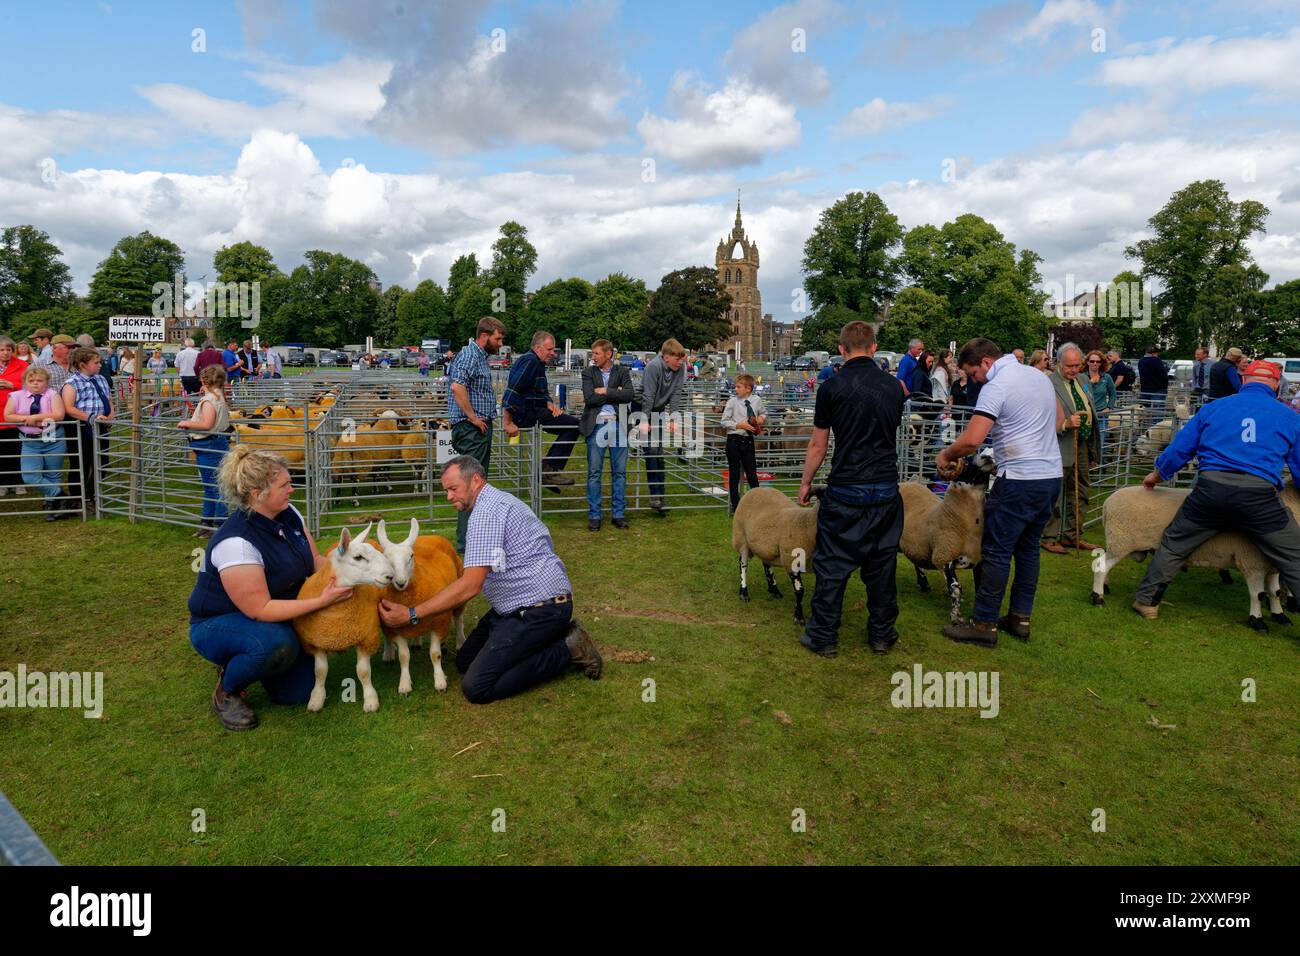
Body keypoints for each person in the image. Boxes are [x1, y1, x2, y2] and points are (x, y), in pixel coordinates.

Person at [378, 455, 604, 703]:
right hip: (514, 604)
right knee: (464, 660)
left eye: (453, 489)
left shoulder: (485, 514)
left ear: (475, 480)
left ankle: (568, 649)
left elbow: (471, 585)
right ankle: (544, 637)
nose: (449, 496)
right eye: (446, 491)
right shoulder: (495, 501)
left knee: (477, 687)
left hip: (539, 608)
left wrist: (412, 613)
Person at [188, 446, 355, 729]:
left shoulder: (288, 513)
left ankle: (257, 662)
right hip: (220, 622)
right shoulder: (237, 543)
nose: (292, 489)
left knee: (298, 692)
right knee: (276, 645)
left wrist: (345, 575)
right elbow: (259, 608)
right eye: (285, 485)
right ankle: (227, 689)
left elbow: (314, 559)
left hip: (276, 615)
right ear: (257, 494)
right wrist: (323, 600)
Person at [1132, 360, 1300, 620]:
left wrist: (1157, 475)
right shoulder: (1289, 417)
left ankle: (1146, 601)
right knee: (1294, 555)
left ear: (1244, 381)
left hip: (1211, 491)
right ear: (1277, 386)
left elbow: (1180, 448)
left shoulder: (1214, 408)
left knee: (1174, 543)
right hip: (1259, 498)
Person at [935, 338, 1064, 647]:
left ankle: (984, 624)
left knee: (996, 550)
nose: (973, 380)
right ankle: (1020, 619)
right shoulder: (1038, 376)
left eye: (972, 373)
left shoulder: (997, 385)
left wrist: (946, 456)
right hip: (1051, 475)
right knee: (1029, 549)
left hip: (1019, 478)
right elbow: (1059, 420)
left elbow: (972, 439)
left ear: (986, 363)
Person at [797, 321, 905, 658]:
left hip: (846, 489)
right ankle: (882, 635)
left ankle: (824, 636)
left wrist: (805, 482)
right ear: (874, 348)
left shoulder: (831, 388)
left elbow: (818, 445)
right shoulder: (895, 388)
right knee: (883, 565)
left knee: (832, 565)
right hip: (886, 487)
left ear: (842, 350)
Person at [446, 316, 506, 552]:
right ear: (485, 335)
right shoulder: (470, 355)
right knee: (470, 485)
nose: (500, 344)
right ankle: (466, 542)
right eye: (498, 338)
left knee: (476, 483)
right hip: (472, 429)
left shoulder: (478, 357)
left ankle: (472, 537)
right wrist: (472, 417)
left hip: (477, 428)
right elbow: (457, 386)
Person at [502, 331, 579, 490]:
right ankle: (547, 471)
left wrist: (549, 403)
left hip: (533, 410)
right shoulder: (531, 362)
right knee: (573, 425)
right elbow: (513, 390)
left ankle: (548, 471)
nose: (553, 353)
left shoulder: (534, 362)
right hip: (526, 414)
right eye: (550, 349)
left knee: (571, 425)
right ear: (538, 348)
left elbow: (539, 391)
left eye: (553, 350)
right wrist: (507, 422)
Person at [1042, 343, 1100, 553]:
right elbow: (1042, 417)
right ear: (1058, 363)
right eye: (1069, 366)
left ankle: (1072, 535)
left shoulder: (1083, 381)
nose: (1074, 370)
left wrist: (1092, 448)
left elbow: (1090, 410)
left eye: (1077, 365)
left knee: (1081, 491)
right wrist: (1065, 424)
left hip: (1082, 443)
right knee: (1056, 493)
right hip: (1059, 445)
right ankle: (1048, 537)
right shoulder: (1047, 384)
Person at [580, 338, 635, 531]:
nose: (593, 357)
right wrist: (615, 393)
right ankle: (594, 515)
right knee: (594, 472)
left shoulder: (622, 371)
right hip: (597, 426)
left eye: (596, 354)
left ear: (608, 354)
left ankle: (618, 514)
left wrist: (605, 391)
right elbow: (589, 398)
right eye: (592, 353)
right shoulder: (588, 373)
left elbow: (629, 395)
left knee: (619, 472)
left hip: (618, 425)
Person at [4, 365, 67, 519]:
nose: (35, 383)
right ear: (25, 382)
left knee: (53, 474)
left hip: (53, 439)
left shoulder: (53, 395)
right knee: (30, 476)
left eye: (40, 380)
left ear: (47, 382)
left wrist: (36, 418)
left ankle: (53, 505)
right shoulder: (16, 396)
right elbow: (8, 416)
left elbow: (59, 415)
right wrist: (26, 419)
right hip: (29, 442)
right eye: (31, 380)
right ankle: (61, 497)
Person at [178, 365, 233, 537]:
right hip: (216, 444)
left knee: (213, 487)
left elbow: (207, 425)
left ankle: (217, 524)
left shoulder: (210, 401)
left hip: (209, 445)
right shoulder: (219, 397)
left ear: (204, 381)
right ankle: (207, 523)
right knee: (213, 486)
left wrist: (186, 422)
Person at [638, 338, 688, 514]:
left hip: (658, 409)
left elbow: (676, 394)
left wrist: (673, 418)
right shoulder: (653, 366)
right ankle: (655, 495)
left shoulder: (680, 368)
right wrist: (644, 420)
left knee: (659, 453)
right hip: (642, 407)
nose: (681, 362)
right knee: (651, 451)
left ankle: (660, 497)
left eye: (682, 359)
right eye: (677, 359)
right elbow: (648, 394)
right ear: (666, 357)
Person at [62, 347, 115, 511]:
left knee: (102, 461)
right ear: (82, 364)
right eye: (96, 363)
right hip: (81, 428)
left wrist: (111, 415)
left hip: (101, 426)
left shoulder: (101, 379)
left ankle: (92, 494)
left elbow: (109, 399)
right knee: (81, 462)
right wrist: (91, 418)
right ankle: (79, 497)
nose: (100, 365)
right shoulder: (72, 383)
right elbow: (69, 408)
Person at [721, 373, 766, 514]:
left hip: (748, 441)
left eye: (739, 387)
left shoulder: (757, 400)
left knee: (752, 475)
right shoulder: (732, 402)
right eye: (736, 386)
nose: (736, 389)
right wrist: (739, 425)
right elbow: (724, 421)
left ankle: (759, 504)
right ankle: (736, 505)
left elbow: (764, 413)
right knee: (734, 474)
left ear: (748, 389)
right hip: (734, 440)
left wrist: (761, 419)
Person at [0, 336, 30, 497]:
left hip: (16, 415)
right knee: (1, 451)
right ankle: (3, 483)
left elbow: (31, 386)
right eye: (1, 350)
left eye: (8, 350)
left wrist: (13, 386)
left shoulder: (22, 365)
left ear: (13, 350)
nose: (5, 353)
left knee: (18, 450)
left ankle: (18, 482)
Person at [1084, 349, 1117, 436]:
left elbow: (1113, 394)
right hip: (1086, 414)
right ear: (1087, 362)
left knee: (1100, 443)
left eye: (1098, 361)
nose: (1095, 363)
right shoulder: (1082, 377)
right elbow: (1082, 392)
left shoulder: (1107, 377)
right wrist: (1090, 382)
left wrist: (1109, 407)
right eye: (1092, 361)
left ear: (1101, 363)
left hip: (1101, 415)